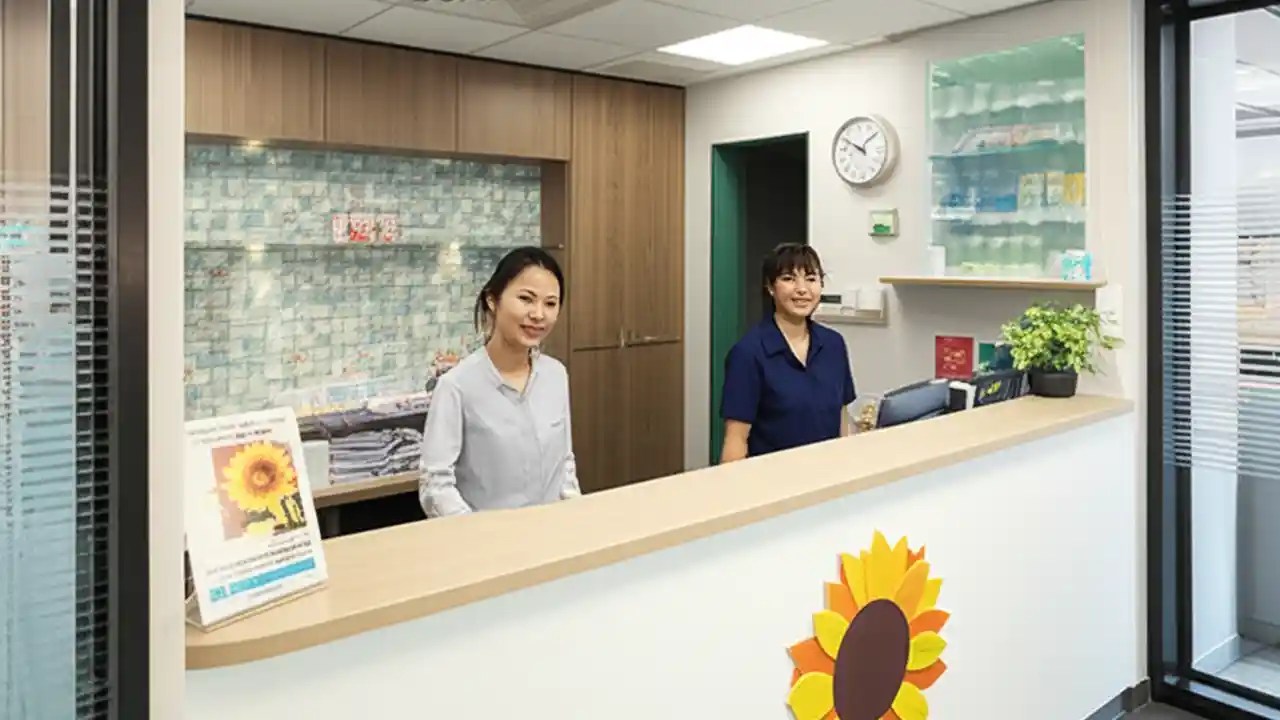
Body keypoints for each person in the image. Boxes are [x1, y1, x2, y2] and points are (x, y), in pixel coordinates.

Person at [419, 247, 580, 517]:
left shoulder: (555, 376)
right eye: (526, 299)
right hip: (488, 547)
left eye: (550, 304)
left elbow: (565, 466)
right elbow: (435, 485)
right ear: (493, 300)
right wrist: (480, 534)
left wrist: (579, 518)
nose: (539, 314)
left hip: (555, 537)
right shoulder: (457, 386)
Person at [719, 243, 856, 463]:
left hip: (827, 475)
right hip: (772, 482)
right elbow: (736, 440)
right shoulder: (748, 353)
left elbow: (842, 421)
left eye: (811, 279)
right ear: (770, 287)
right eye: (789, 278)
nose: (802, 289)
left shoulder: (833, 345)